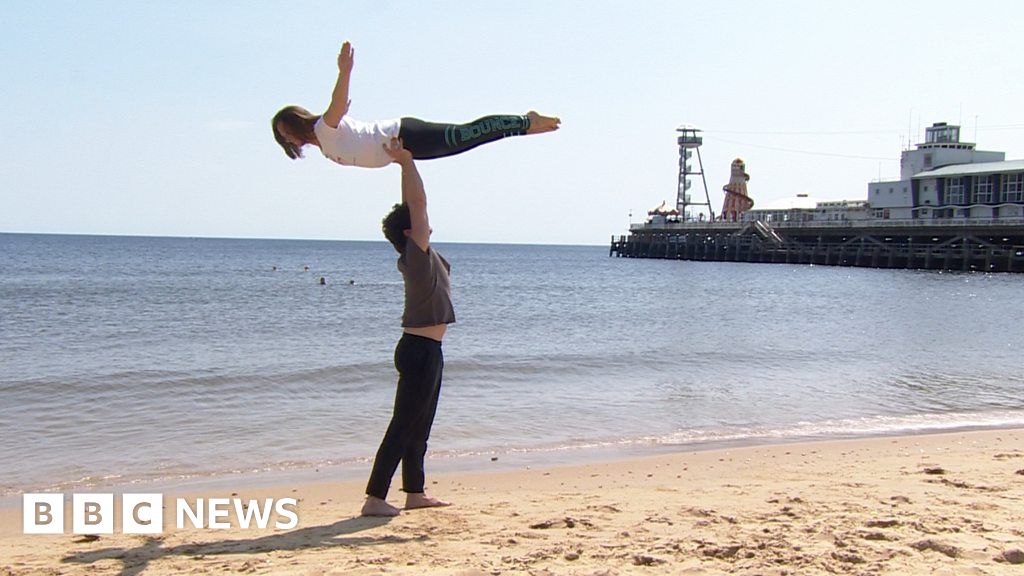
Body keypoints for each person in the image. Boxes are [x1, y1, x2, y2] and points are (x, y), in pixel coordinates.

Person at [272, 41, 560, 168]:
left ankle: (526, 121)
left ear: (298, 121)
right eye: (282, 137)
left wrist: (344, 71)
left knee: (465, 135)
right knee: (468, 142)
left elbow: (336, 105)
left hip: (406, 134)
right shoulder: (324, 146)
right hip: (405, 151)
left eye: (286, 130)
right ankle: (523, 127)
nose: (287, 138)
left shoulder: (324, 129)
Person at [361, 137, 454, 517]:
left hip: (430, 350)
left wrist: (404, 168)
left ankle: (414, 492)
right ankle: (374, 498)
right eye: (417, 224)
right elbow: (416, 204)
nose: (427, 224)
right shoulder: (414, 256)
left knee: (421, 425)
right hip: (417, 350)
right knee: (403, 424)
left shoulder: (425, 254)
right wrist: (406, 163)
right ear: (408, 233)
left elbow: (410, 209)